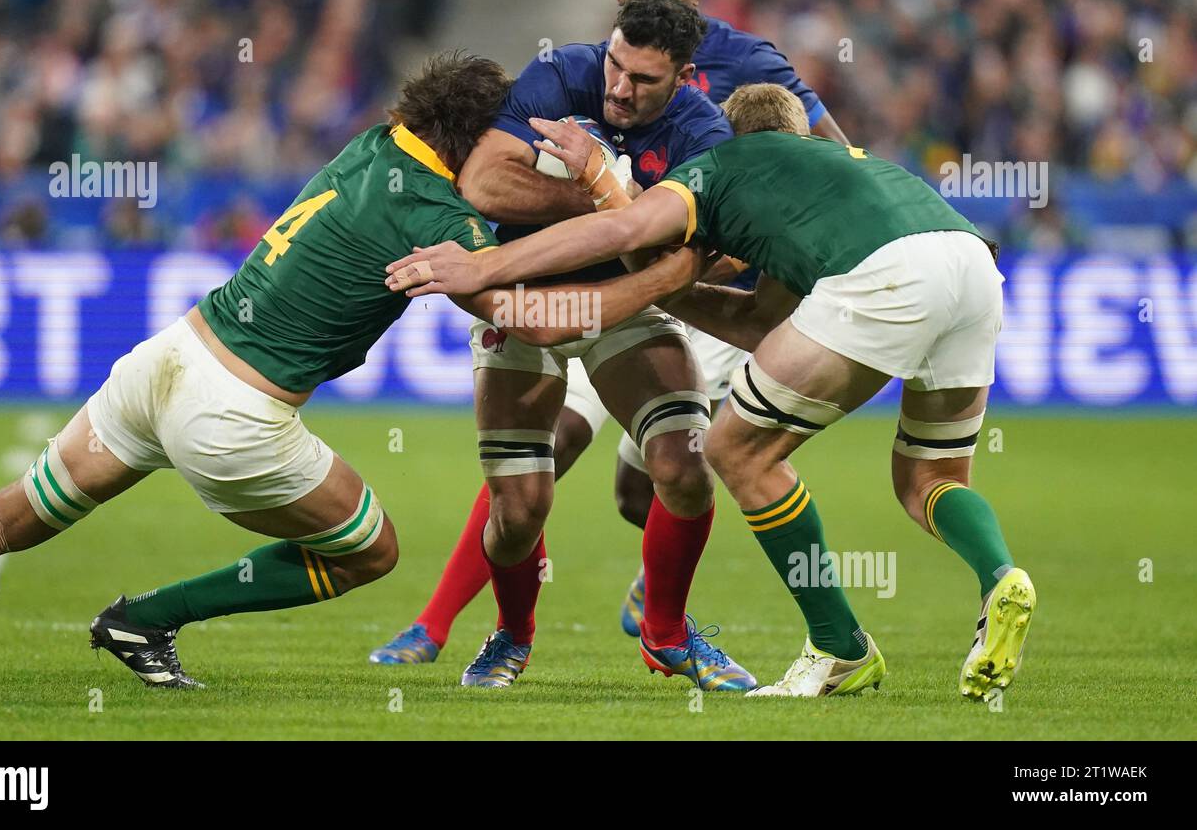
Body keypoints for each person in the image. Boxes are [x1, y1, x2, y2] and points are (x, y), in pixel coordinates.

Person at [0, 52, 697, 689]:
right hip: (232, 415)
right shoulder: (434, 216)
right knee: (370, 550)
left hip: (164, 359)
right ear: (475, 136)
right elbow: (533, 318)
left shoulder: (371, 146)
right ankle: (147, 617)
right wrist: (660, 273)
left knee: (8, 516)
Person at [387, 83, 1036, 702]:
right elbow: (757, 320)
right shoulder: (845, 167)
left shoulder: (722, 164)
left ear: (730, 134)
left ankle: (838, 645)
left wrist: (497, 260)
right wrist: (670, 291)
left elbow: (625, 230)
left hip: (884, 277)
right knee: (930, 477)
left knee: (735, 450)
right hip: (972, 264)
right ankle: (1001, 575)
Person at [372, 0, 851, 668]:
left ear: (684, 73)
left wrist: (613, 194)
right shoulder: (561, 73)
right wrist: (619, 204)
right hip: (528, 297)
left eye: (642, 80)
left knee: (681, 469)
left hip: (629, 303)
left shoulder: (713, 116)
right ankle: (507, 633)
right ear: (617, 4)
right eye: (616, 69)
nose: (620, 90)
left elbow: (703, 252)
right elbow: (486, 183)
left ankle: (665, 633)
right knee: (520, 507)